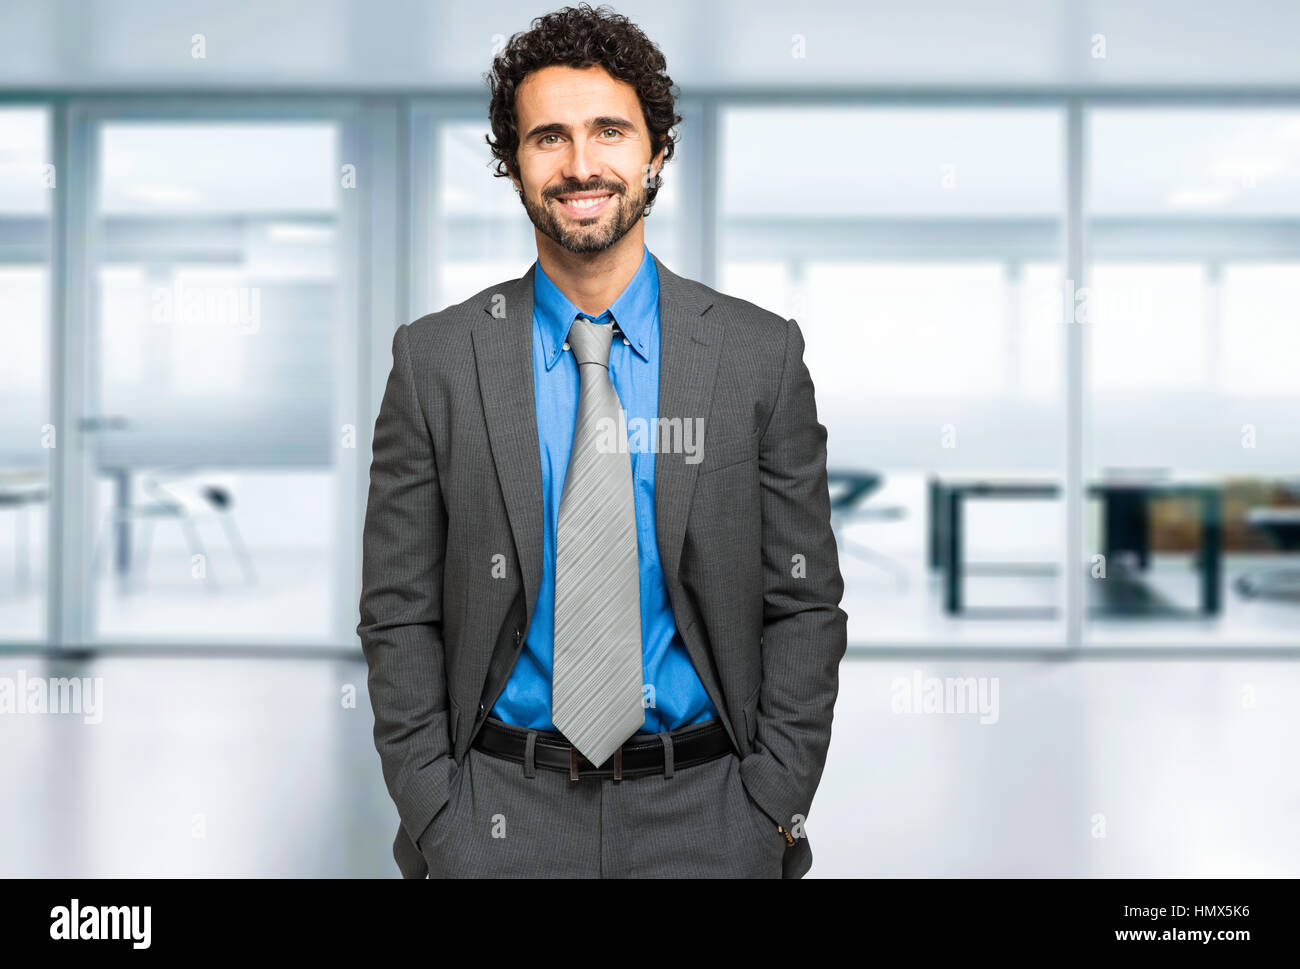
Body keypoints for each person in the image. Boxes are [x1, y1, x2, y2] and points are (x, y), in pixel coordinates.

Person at [358, 3, 847, 878]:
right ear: (512, 163)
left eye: (610, 131)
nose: (582, 164)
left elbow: (804, 604)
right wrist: (438, 812)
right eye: (549, 137)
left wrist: (770, 806)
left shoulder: (758, 354)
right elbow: (399, 611)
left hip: (708, 813)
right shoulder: (434, 360)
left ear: (655, 150)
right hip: (497, 812)